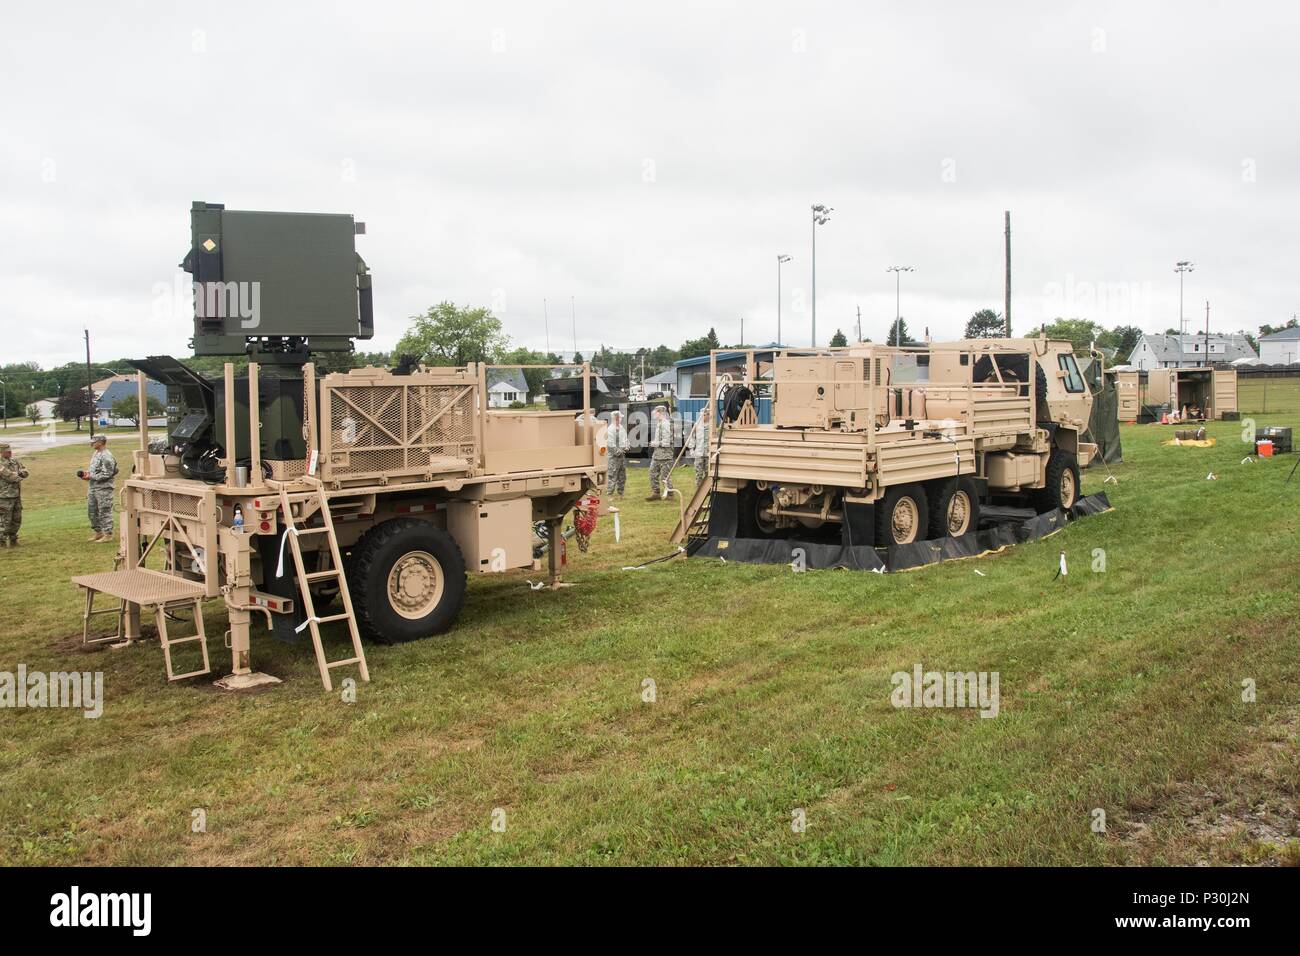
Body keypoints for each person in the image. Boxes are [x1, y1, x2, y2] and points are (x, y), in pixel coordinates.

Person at [81, 435, 118, 543]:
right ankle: (98, 532)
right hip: (93, 487)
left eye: (94, 442)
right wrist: (88, 474)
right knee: (92, 511)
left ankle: (108, 534)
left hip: (103, 488)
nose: (91, 444)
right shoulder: (96, 453)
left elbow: (108, 473)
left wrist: (91, 476)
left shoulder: (106, 456)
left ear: (101, 443)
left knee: (104, 511)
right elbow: (95, 470)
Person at [0, 442, 29, 548]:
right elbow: (10, 477)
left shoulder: (14, 461)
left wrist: (21, 473)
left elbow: (25, 471)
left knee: (16, 519)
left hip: (16, 495)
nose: (10, 452)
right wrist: (18, 475)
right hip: (4, 497)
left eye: (10, 450)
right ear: (1, 452)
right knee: (5, 520)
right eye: (7, 451)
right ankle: (1, 541)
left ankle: (13, 539)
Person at [646, 405, 674, 501]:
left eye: (655, 411)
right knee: (652, 473)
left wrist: (655, 443)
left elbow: (667, 442)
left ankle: (670, 494)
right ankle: (656, 493)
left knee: (665, 476)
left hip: (665, 455)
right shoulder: (659, 423)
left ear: (660, 413)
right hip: (657, 455)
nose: (654, 413)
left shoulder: (666, 424)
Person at [606, 410, 629, 497]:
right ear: (616, 418)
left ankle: (621, 493)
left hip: (621, 457)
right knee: (612, 476)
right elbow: (610, 444)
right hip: (613, 457)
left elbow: (625, 439)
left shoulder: (621, 427)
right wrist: (619, 451)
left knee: (622, 476)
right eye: (620, 418)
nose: (621, 419)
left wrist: (627, 446)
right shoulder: (610, 429)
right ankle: (609, 494)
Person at [691, 407, 712, 483]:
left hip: (709, 454)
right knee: (698, 473)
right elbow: (692, 437)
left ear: (708, 415)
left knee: (708, 473)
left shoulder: (712, 426)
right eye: (701, 415)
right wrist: (691, 449)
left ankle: (708, 489)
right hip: (699, 453)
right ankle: (698, 488)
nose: (702, 416)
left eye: (704, 415)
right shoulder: (697, 425)